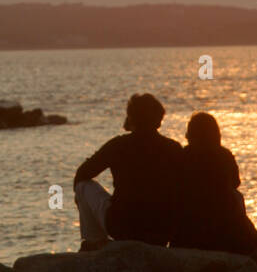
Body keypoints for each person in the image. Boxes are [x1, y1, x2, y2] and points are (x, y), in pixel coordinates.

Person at [73, 93, 183, 251]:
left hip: (122, 226)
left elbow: (82, 174)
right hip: (161, 230)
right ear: (159, 121)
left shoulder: (118, 145)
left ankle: (94, 242)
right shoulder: (173, 148)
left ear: (131, 119)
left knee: (83, 186)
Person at [171, 112, 257, 255]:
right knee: (236, 196)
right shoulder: (224, 154)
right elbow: (236, 182)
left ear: (191, 134)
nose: (186, 136)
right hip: (224, 224)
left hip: (191, 224)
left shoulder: (184, 155)